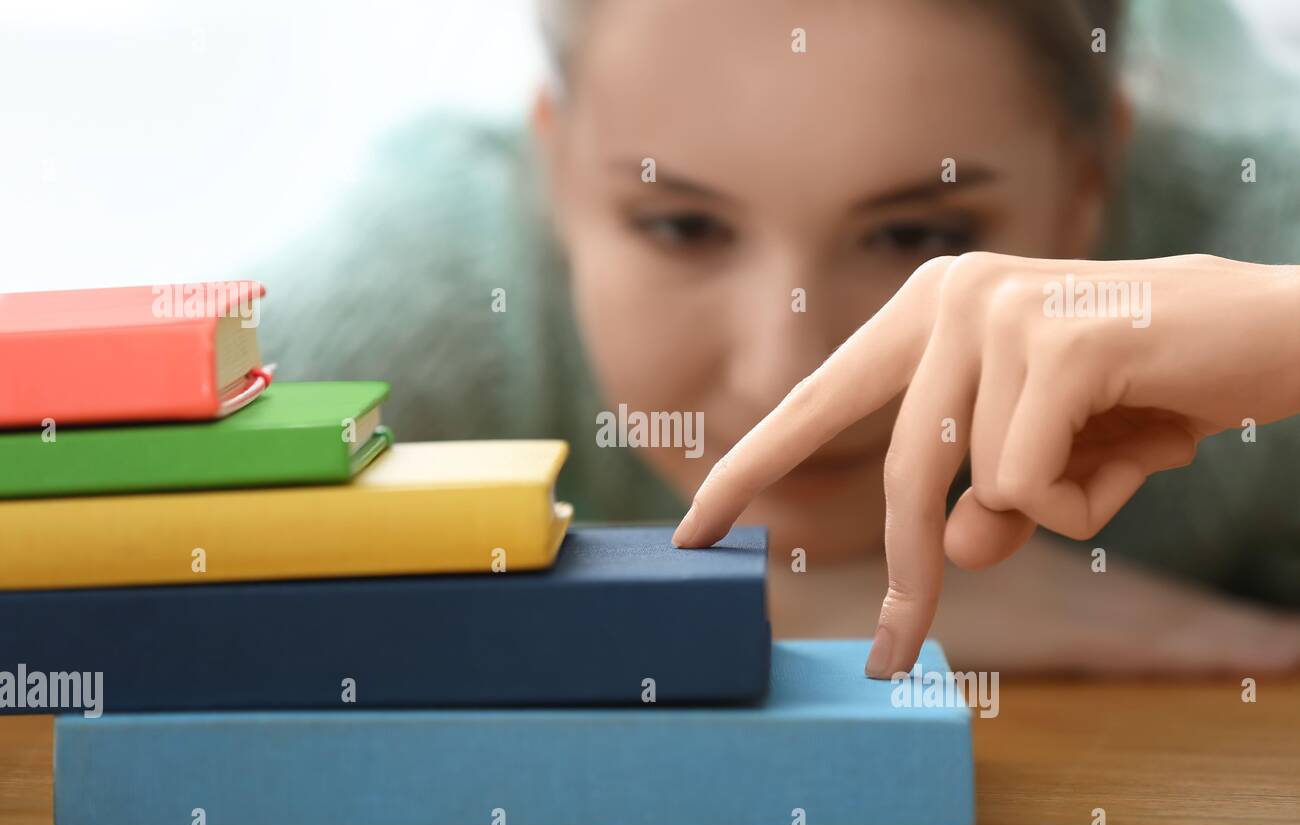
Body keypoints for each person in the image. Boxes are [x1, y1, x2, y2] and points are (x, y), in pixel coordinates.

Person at [257, 0, 1300, 675]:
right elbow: (110, 615)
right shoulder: (417, 300)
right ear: (558, 169)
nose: (785, 370)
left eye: (914, 236)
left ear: (1086, 189)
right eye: (681, 225)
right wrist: (736, 605)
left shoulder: (1254, 283)